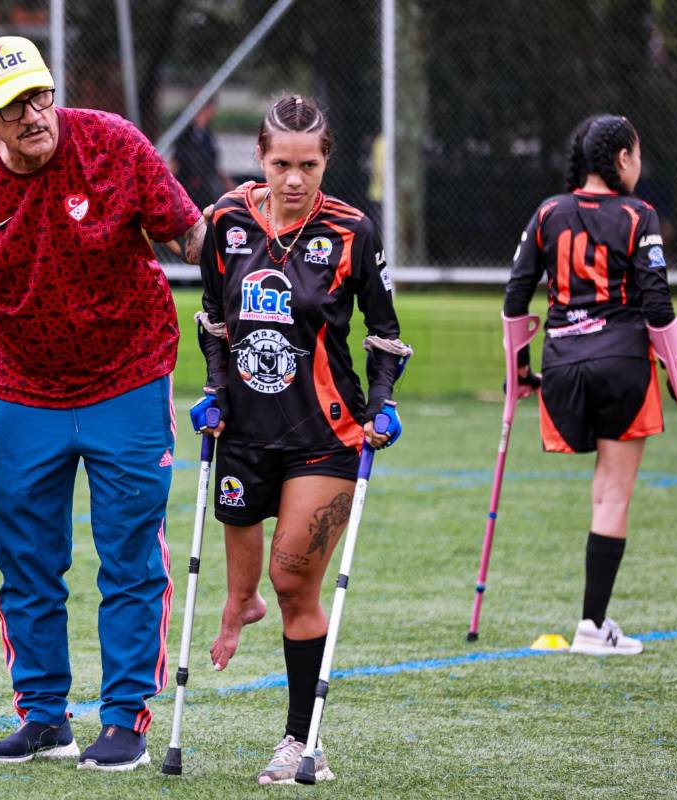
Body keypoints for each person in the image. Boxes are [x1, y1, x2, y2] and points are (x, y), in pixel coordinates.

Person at [0, 35, 206, 771]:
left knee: (130, 559)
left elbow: (190, 236)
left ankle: (124, 722)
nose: (35, 114)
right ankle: (44, 718)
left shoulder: (114, 144)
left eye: (41, 95)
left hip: (130, 376)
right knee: (24, 560)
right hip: (23, 389)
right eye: (14, 106)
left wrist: (246, 262)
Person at [192, 94, 406, 785]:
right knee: (250, 564)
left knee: (293, 580)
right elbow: (214, 322)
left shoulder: (351, 230)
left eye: (308, 165)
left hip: (326, 432)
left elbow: (384, 333)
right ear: (258, 157)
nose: (294, 178)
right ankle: (239, 601)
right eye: (281, 163)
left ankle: (301, 740)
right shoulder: (224, 221)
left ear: (325, 161)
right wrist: (215, 390)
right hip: (245, 432)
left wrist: (382, 404)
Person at [504, 113, 677, 658]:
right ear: (620, 160)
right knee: (613, 493)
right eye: (637, 154)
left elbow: (515, 301)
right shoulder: (640, 214)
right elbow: (657, 309)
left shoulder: (548, 212)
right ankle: (592, 626)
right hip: (621, 367)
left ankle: (595, 623)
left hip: (562, 368)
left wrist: (518, 374)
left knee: (600, 492)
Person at [172, 95, 231, 211]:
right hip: (189, 184)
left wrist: (228, 183)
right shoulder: (185, 132)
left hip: (206, 184)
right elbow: (177, 161)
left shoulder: (206, 133)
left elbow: (213, 163)